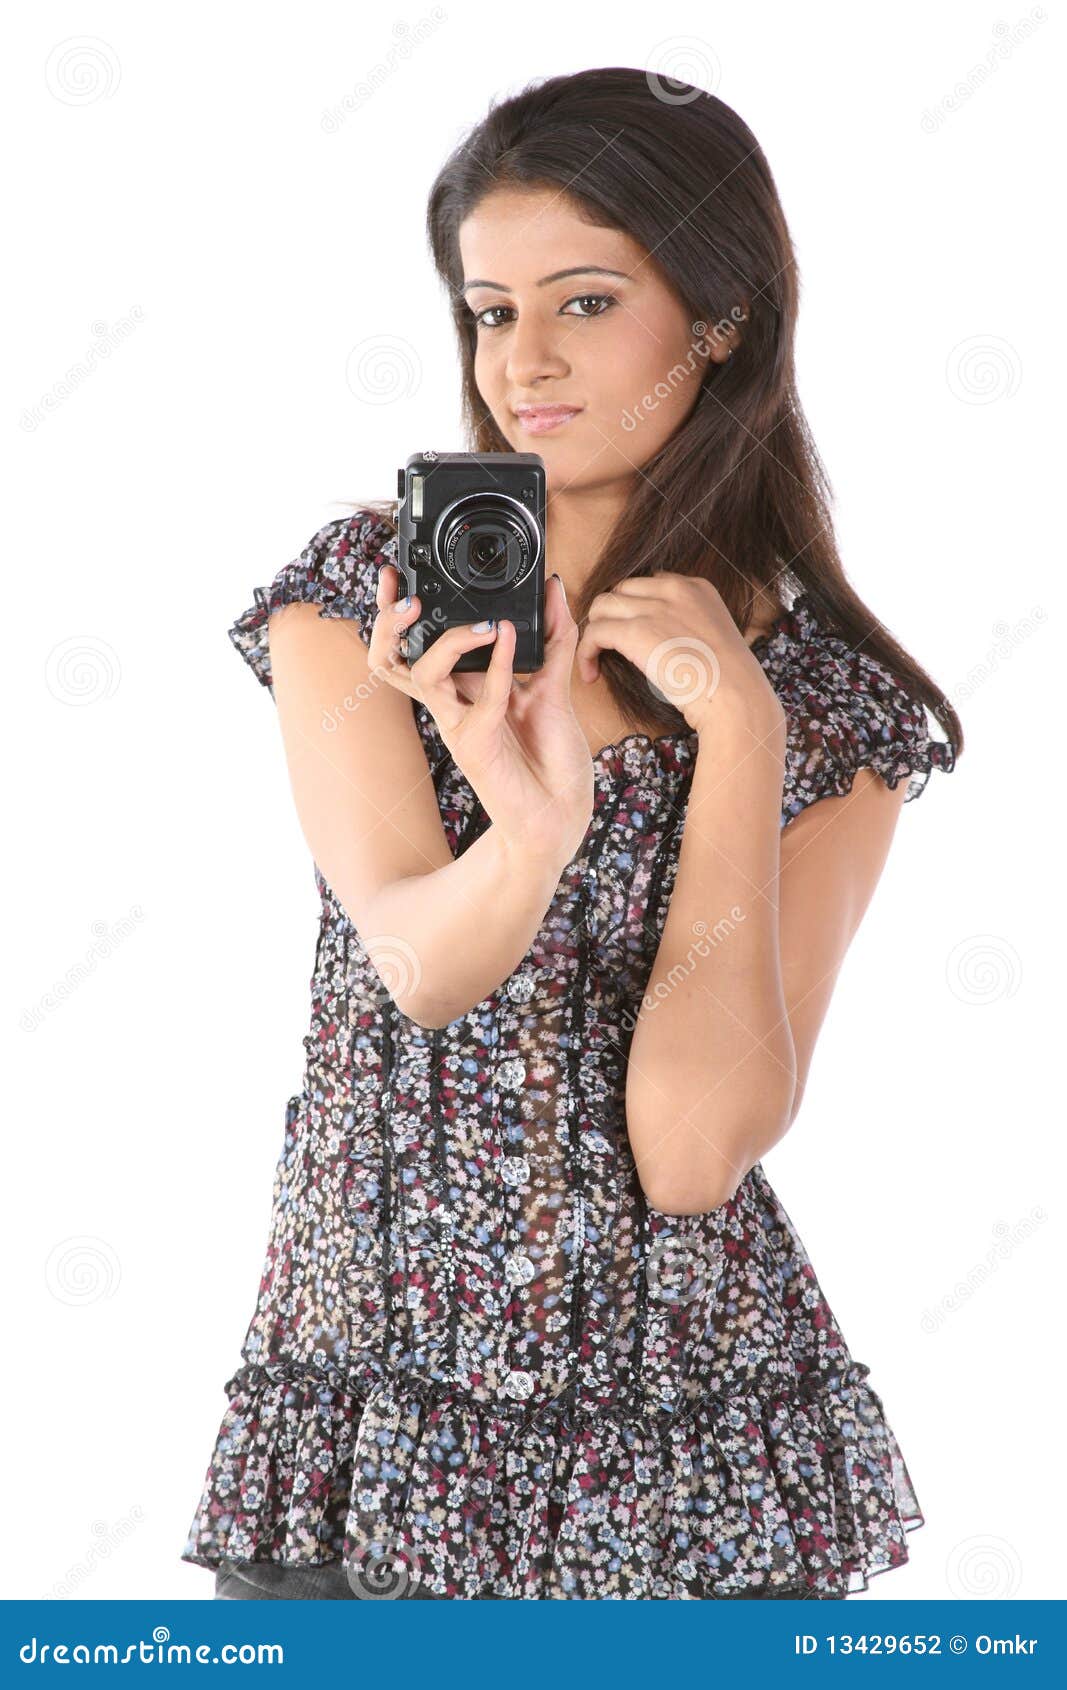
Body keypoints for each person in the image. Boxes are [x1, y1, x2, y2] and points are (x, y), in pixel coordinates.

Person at [182, 66, 961, 1602]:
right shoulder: (366, 601)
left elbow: (690, 1147)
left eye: (585, 302)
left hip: (689, 1453)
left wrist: (738, 735)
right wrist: (532, 828)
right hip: (371, 1423)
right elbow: (416, 956)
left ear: (720, 316)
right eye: (489, 310)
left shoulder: (828, 708)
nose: (520, 361)